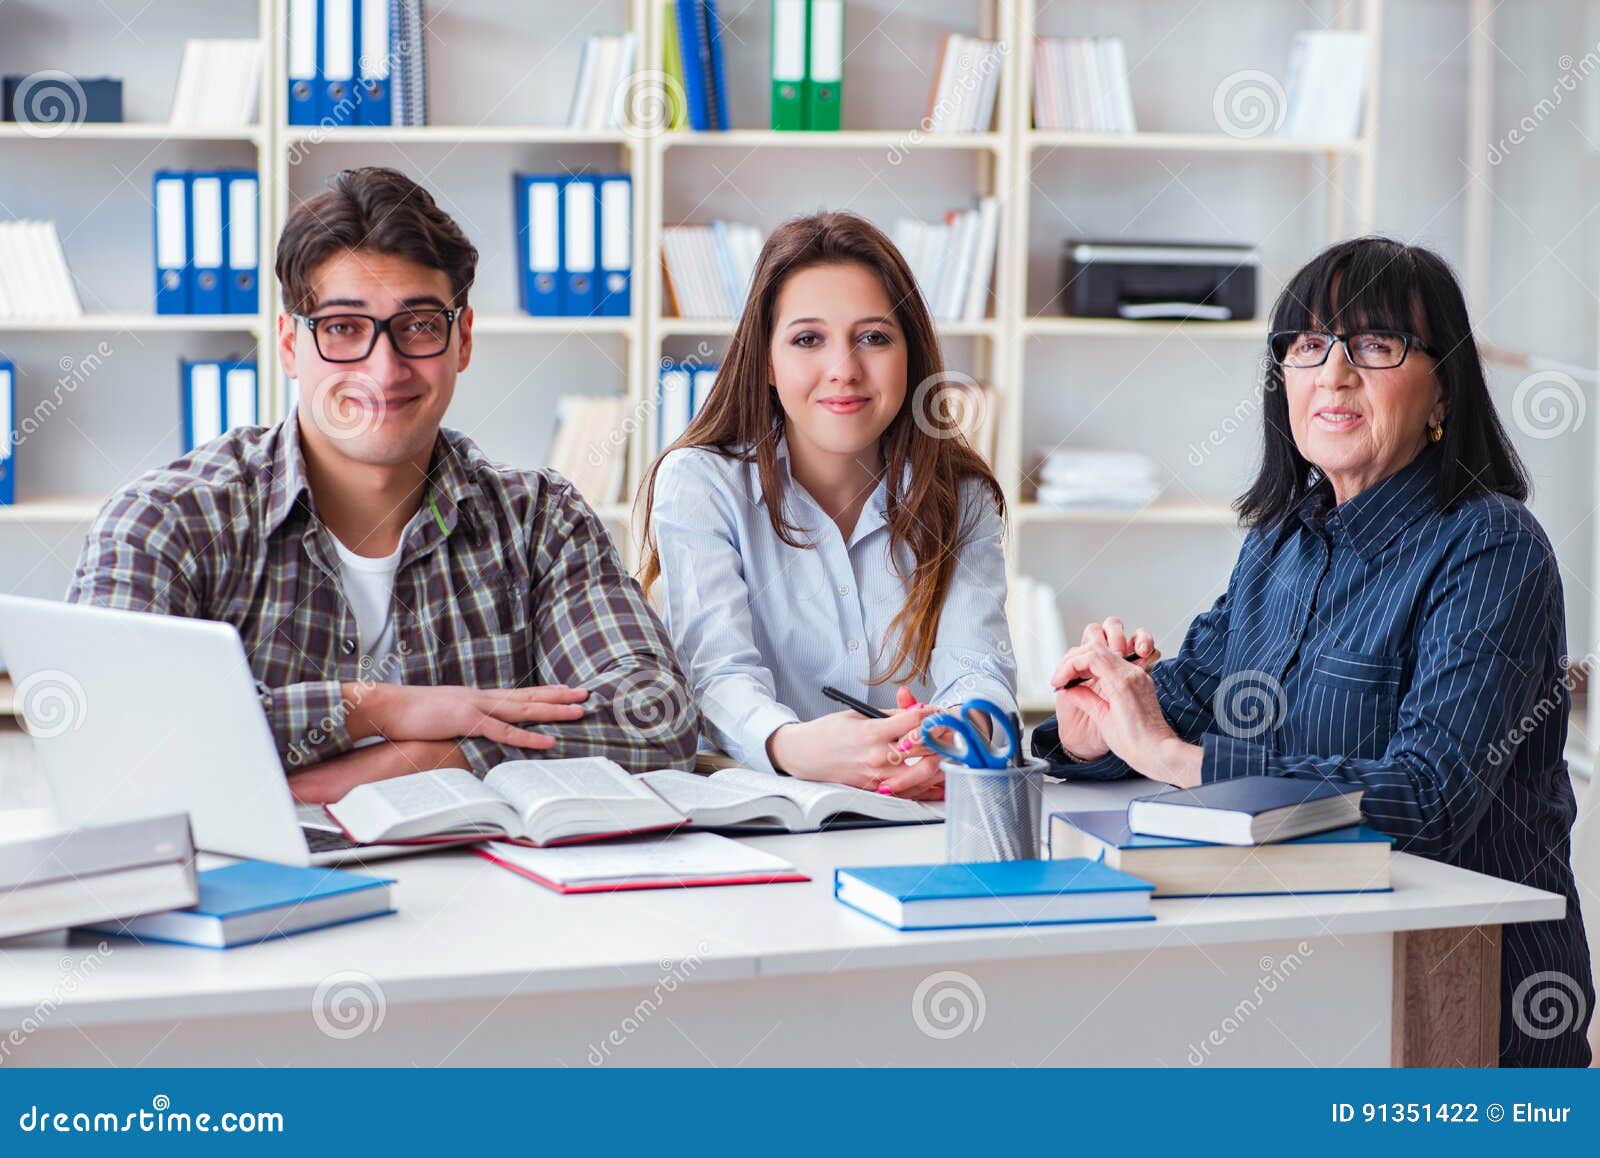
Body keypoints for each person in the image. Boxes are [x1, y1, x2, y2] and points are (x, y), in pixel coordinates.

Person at [1034, 236, 1593, 1066]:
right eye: (1306, 346)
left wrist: (1179, 760)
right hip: (1297, 980)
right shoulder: (1280, 542)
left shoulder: (1492, 548)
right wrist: (1097, 719)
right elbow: (1186, 698)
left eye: (1374, 345)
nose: (1333, 374)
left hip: (1458, 1004)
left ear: (1444, 388)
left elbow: (1428, 799)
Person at [67, 166, 696, 802]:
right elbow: (106, 724)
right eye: (343, 327)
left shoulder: (540, 520)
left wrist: (435, 758)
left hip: (495, 893)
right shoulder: (167, 519)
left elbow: (656, 715)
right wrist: (377, 708)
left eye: (419, 325)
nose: (384, 367)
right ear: (289, 345)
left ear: (463, 339)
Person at [639, 211, 1015, 799]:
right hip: (772, 813)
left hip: (921, 812)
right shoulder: (702, 485)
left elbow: (978, 666)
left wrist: (957, 738)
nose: (843, 370)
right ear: (766, 360)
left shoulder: (960, 497)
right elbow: (717, 673)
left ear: (909, 356)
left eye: (874, 337)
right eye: (808, 339)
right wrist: (794, 747)